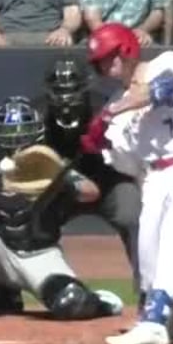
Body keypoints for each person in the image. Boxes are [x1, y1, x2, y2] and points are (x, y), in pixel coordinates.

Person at [80, 22, 173, 344]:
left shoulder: (167, 63)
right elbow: (127, 163)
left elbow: (156, 92)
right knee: (148, 259)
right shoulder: (118, 107)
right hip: (155, 179)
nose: (105, 66)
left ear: (126, 49)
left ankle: (155, 324)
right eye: (100, 61)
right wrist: (101, 143)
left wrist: (112, 112)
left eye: (109, 57)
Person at [0, 95, 124, 321]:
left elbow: (91, 192)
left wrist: (60, 177)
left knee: (72, 304)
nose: (14, 140)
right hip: (1, 252)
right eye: (7, 133)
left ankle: (100, 302)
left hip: (40, 255)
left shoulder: (48, 164)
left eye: (20, 133)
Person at [35, 55, 141, 298]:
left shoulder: (107, 109)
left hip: (108, 180)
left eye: (72, 90)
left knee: (134, 216)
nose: (65, 98)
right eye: (59, 91)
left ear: (86, 87)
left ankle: (148, 287)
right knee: (29, 222)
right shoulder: (36, 116)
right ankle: (41, 284)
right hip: (59, 186)